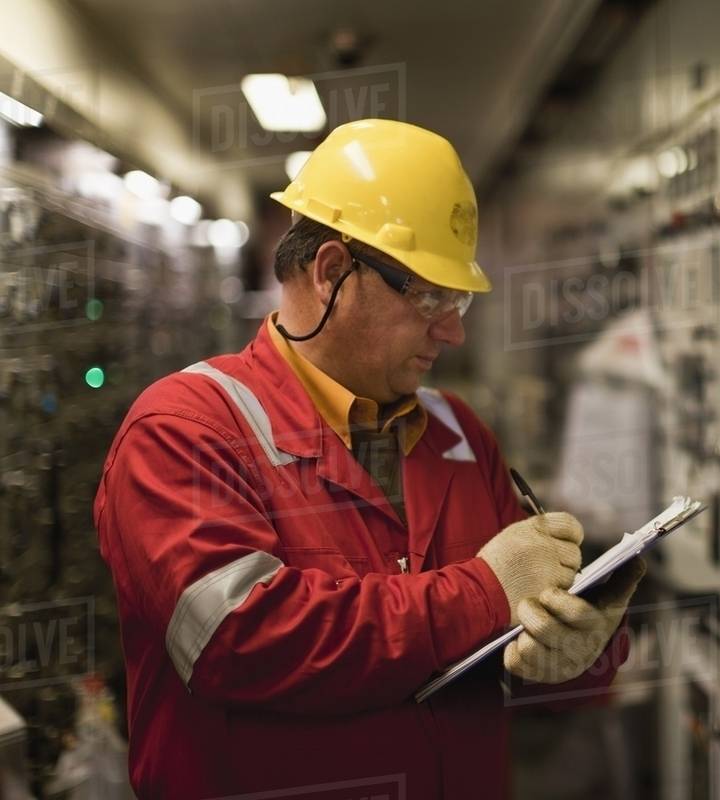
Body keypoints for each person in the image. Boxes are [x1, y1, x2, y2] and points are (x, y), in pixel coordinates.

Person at [93, 119, 645, 799]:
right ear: (331, 274)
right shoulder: (184, 430)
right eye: (431, 297)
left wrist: (575, 658)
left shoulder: (458, 432)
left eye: (459, 298)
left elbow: (518, 635)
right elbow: (237, 642)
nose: (454, 329)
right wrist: (482, 592)